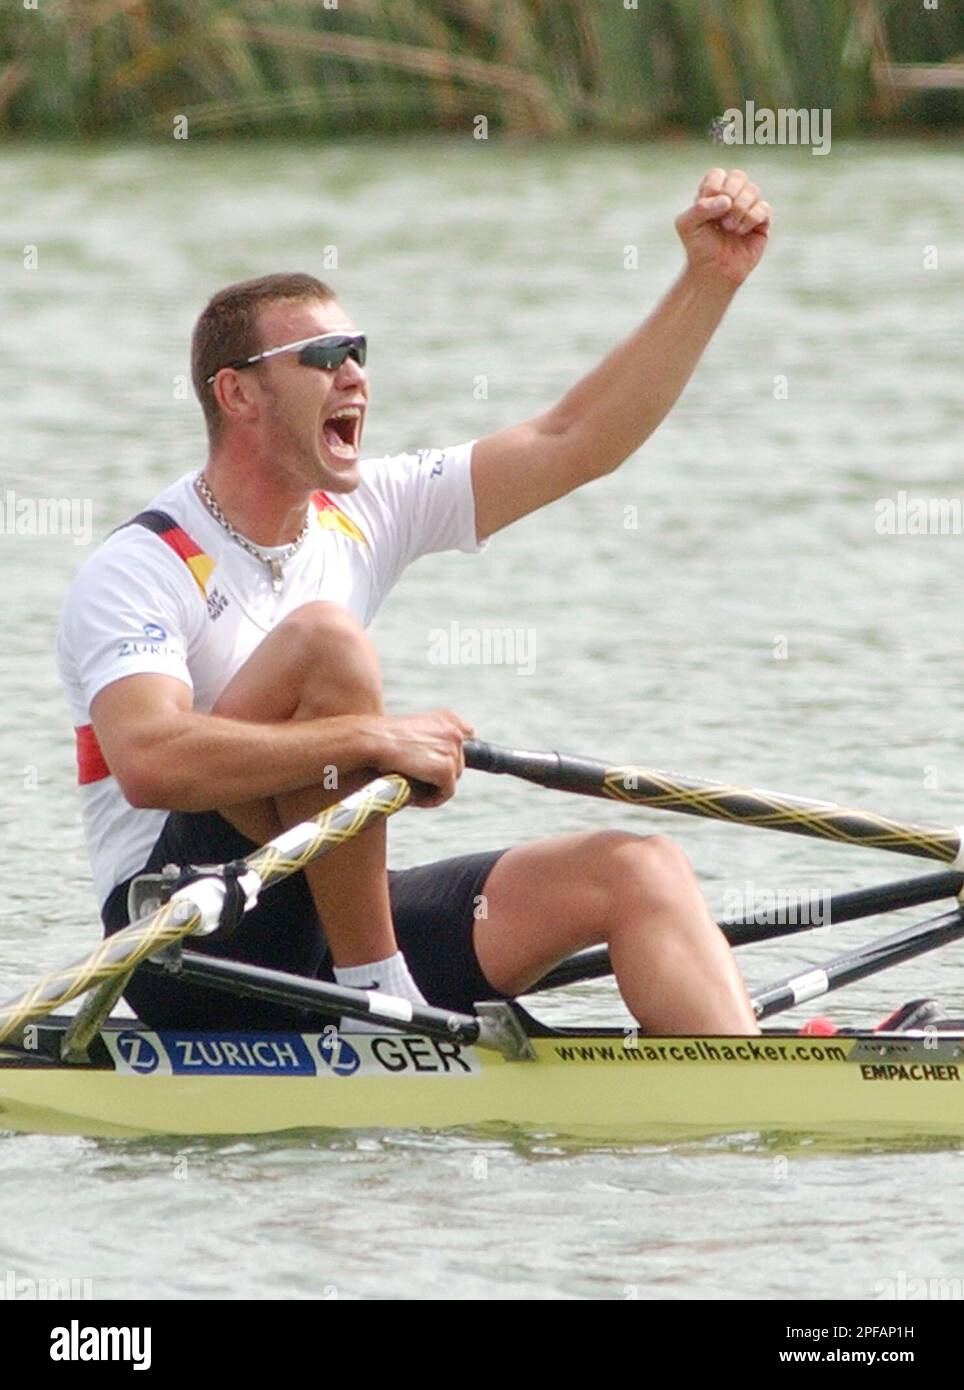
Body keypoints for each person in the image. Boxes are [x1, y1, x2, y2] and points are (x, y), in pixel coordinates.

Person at [58, 167, 771, 1036]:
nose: (354, 374)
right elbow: (149, 761)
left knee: (640, 867)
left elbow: (573, 440)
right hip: (188, 941)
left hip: (322, 912)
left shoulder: (368, 508)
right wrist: (371, 737)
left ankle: (749, 1100)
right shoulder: (142, 566)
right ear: (237, 392)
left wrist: (708, 283)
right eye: (323, 357)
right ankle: (384, 1006)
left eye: (360, 351)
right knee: (327, 644)